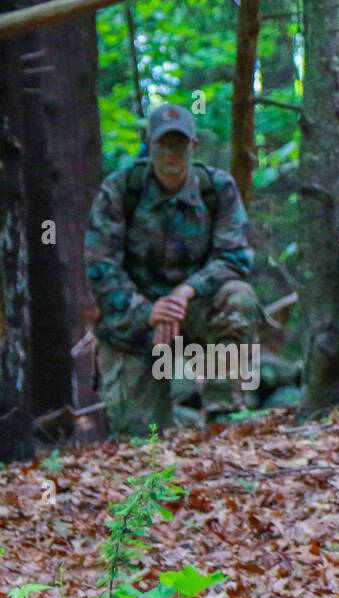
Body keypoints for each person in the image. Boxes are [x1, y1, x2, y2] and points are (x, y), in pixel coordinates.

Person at [84, 103, 259, 436]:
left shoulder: (217, 188)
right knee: (139, 436)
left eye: (179, 144)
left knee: (238, 297)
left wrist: (185, 292)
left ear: (193, 145)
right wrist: (149, 311)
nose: (171, 153)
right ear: (149, 144)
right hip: (137, 323)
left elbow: (235, 256)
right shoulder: (120, 190)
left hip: (195, 310)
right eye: (163, 144)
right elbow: (100, 267)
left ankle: (224, 416)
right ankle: (173, 420)